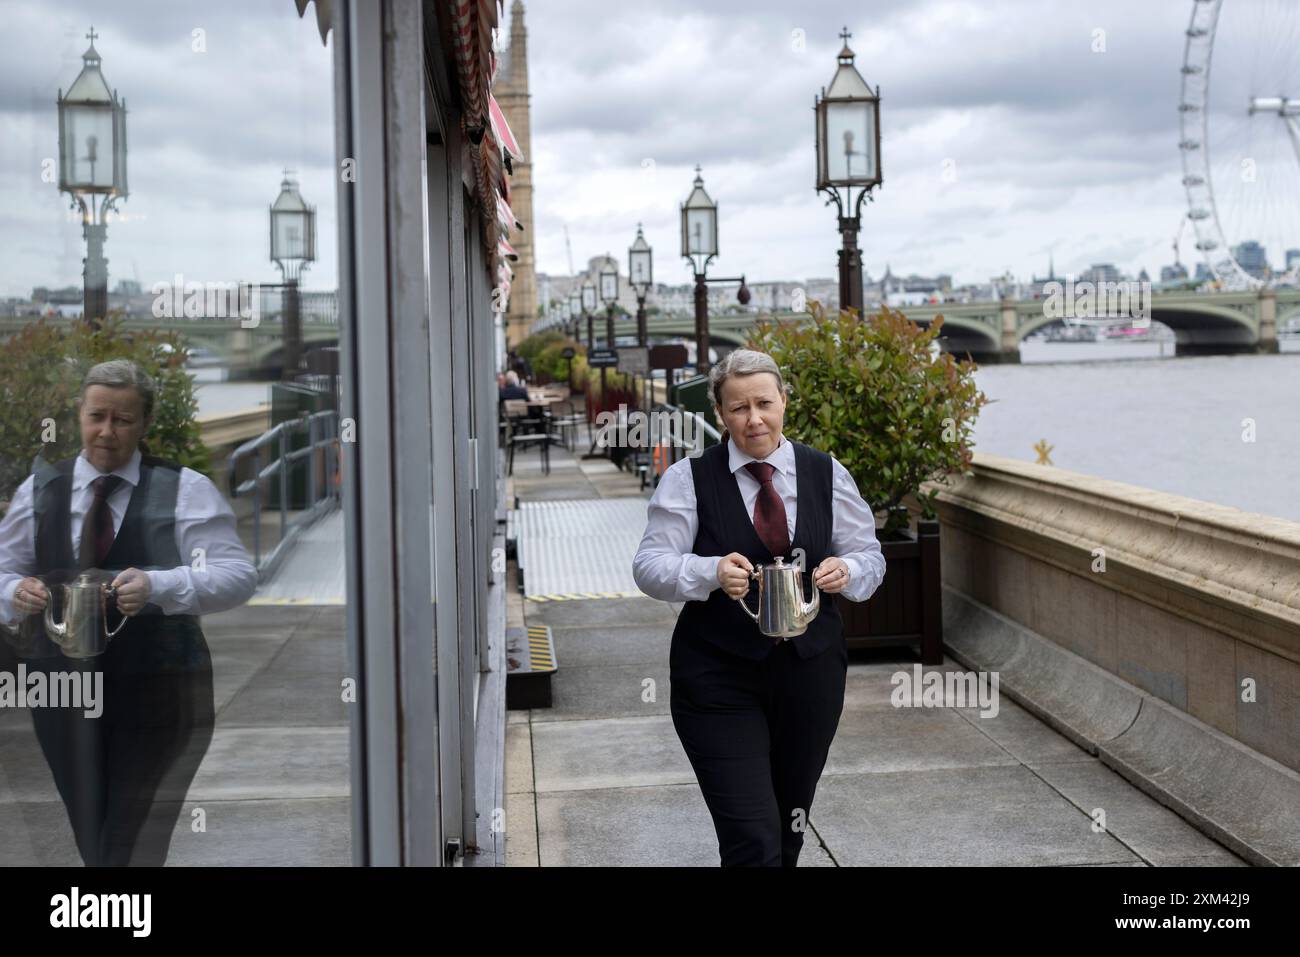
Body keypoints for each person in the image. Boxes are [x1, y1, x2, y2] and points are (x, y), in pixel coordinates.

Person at [632, 348, 886, 867]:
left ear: (784, 401)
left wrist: (850, 571)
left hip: (810, 677)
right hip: (717, 678)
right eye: (738, 408)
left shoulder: (826, 473)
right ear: (719, 415)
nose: (754, 419)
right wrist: (707, 571)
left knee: (787, 832)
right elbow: (650, 566)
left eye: (764, 403)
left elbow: (870, 557)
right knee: (751, 836)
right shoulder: (688, 479)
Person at [0, 358, 258, 865]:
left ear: (144, 424)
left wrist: (161, 584)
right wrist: (14, 592)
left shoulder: (185, 489)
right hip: (62, 695)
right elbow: (2, 570)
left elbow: (237, 576)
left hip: (161, 690)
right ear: (79, 414)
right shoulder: (40, 491)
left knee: (130, 840)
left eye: (122, 420)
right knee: (94, 834)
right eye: (97, 416)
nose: (106, 432)